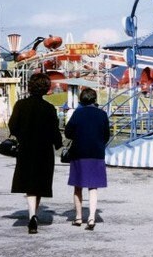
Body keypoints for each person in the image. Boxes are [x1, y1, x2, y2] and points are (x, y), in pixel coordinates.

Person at [8, 72, 63, 234]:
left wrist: (21, 136)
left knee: (29, 183)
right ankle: (34, 214)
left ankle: (33, 214)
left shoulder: (20, 105)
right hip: (44, 151)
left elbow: (13, 126)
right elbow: (55, 131)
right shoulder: (49, 108)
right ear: (46, 89)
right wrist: (59, 144)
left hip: (26, 149)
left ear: (30, 87)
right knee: (38, 184)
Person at [64, 87, 111, 230]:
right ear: (94, 99)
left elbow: (68, 133)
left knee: (78, 186)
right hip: (96, 153)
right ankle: (91, 217)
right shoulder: (102, 114)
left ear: (81, 100)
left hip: (79, 152)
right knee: (93, 186)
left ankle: (78, 217)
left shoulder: (77, 113)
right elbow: (106, 135)